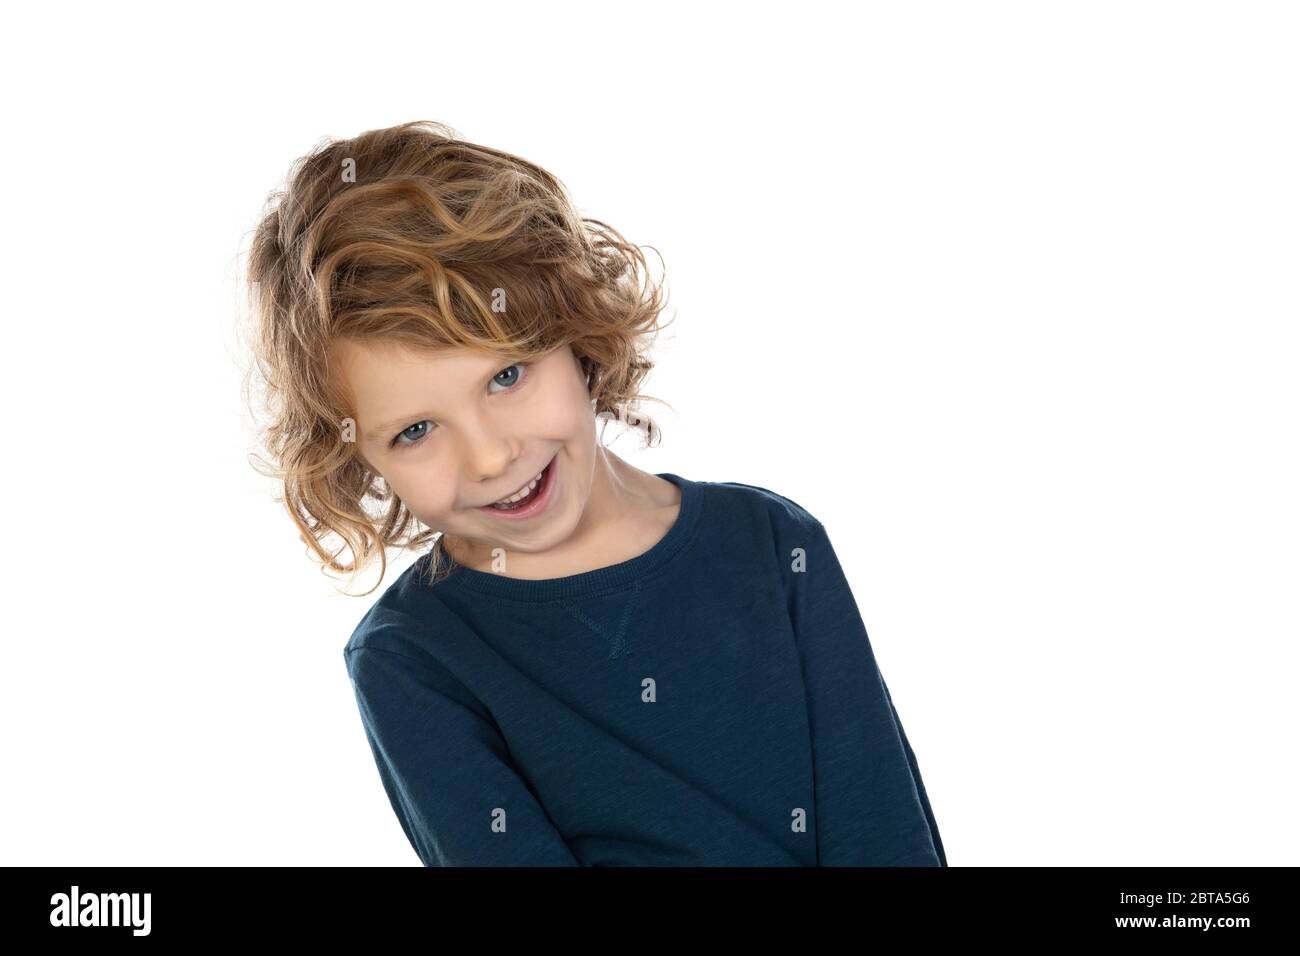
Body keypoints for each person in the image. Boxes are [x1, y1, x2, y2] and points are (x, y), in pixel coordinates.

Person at [242, 120, 947, 867]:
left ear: (576, 329)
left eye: (506, 377)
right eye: (416, 430)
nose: (490, 456)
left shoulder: (774, 545)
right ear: (356, 453)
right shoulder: (411, 659)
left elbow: (884, 830)